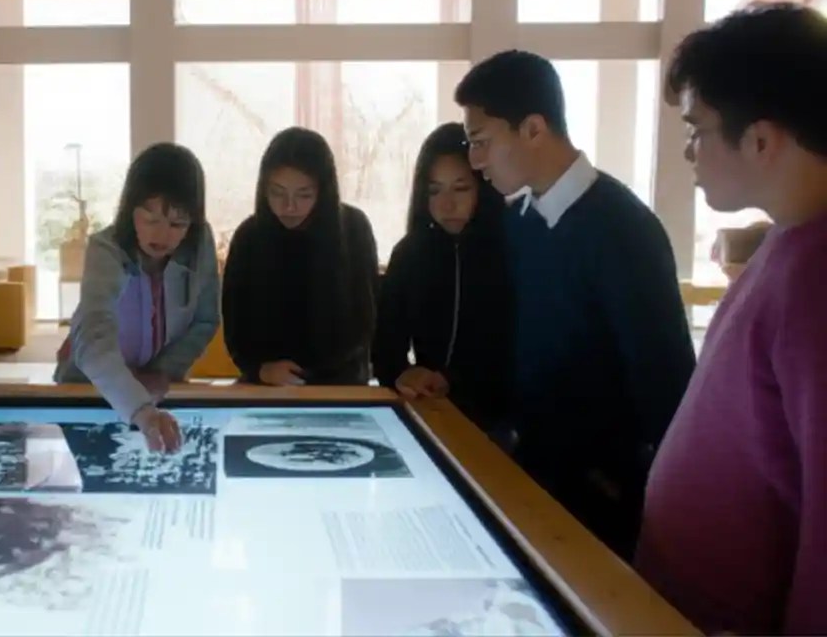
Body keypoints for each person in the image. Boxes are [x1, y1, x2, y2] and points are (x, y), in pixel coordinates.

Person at [456, 49, 695, 560]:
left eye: (482, 143)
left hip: (606, 499)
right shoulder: (520, 220)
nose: (475, 162)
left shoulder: (624, 230)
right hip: (534, 477)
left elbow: (668, 387)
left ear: (534, 129)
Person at [636, 3, 827, 635]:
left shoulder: (815, 279)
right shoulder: (787, 241)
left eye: (696, 128)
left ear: (761, 140)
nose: (688, 149)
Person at [54, 143, 219, 453]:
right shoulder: (106, 249)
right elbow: (93, 338)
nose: (163, 235)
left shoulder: (199, 245)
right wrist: (139, 407)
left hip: (156, 390)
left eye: (177, 224)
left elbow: (205, 320)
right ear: (131, 210)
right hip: (91, 385)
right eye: (151, 219)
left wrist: (162, 374)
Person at [373, 122, 512, 433]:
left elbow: (513, 350)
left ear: (483, 186)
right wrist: (402, 373)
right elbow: (385, 346)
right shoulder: (409, 253)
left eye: (460, 188)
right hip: (427, 410)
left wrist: (454, 380)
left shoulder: (511, 250)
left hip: (496, 420)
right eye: (434, 190)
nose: (446, 204)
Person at [222, 126, 377, 387]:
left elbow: (367, 319)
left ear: (323, 192)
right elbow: (236, 329)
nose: (289, 207)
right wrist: (260, 370)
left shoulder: (353, 229)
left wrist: (316, 377)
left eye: (304, 194)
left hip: (342, 383)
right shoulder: (249, 236)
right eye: (277, 193)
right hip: (266, 383)